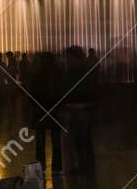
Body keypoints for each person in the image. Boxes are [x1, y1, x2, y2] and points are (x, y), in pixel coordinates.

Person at [61, 46, 97, 180]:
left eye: (69, 58)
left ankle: (84, 167)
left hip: (79, 109)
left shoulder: (74, 73)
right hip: (79, 109)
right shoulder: (84, 72)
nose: (67, 60)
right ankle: (86, 167)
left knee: (81, 140)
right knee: (82, 140)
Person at [26, 52, 65, 174]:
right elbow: (61, 93)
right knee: (56, 140)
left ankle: (41, 167)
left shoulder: (35, 75)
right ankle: (57, 168)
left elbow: (31, 94)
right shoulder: (57, 75)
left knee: (40, 142)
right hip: (54, 110)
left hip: (39, 110)